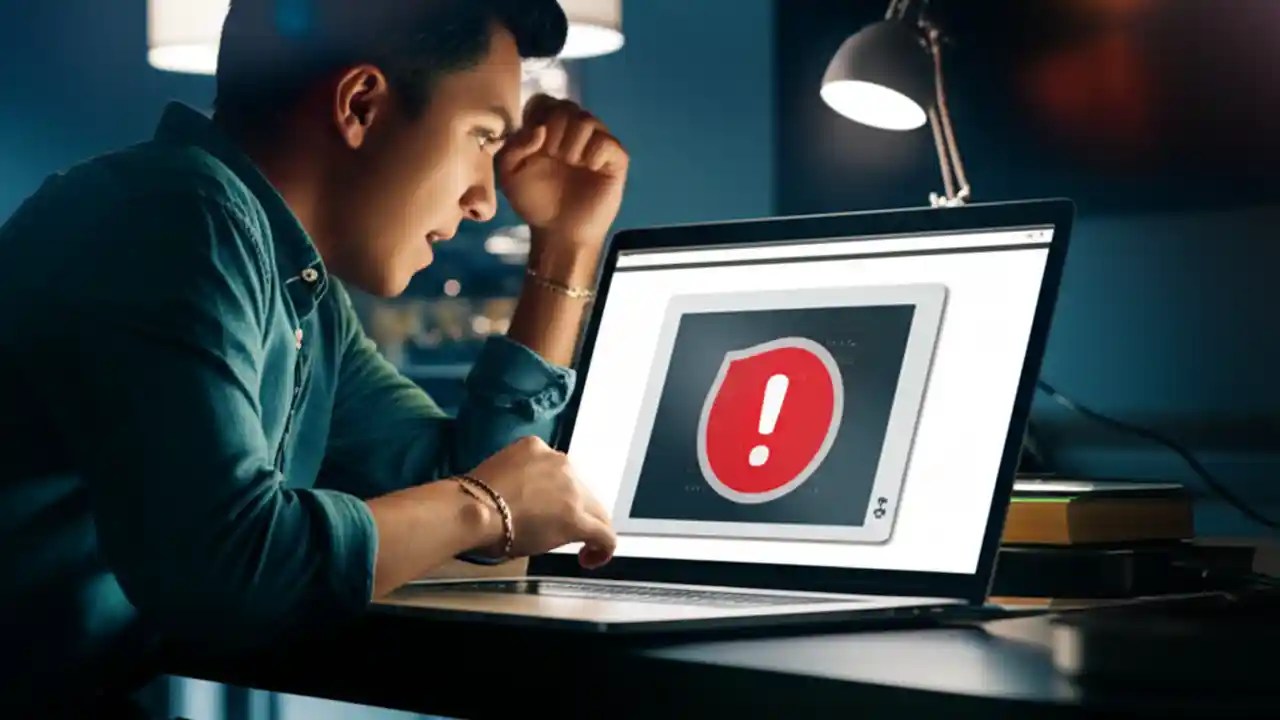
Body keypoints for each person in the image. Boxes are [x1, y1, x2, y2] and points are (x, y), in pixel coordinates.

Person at [0, 0, 626, 715]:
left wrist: (565, 246)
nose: (486, 200)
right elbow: (230, 573)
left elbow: (481, 499)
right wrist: (484, 507)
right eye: (483, 136)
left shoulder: (299, 292)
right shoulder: (172, 220)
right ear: (360, 105)